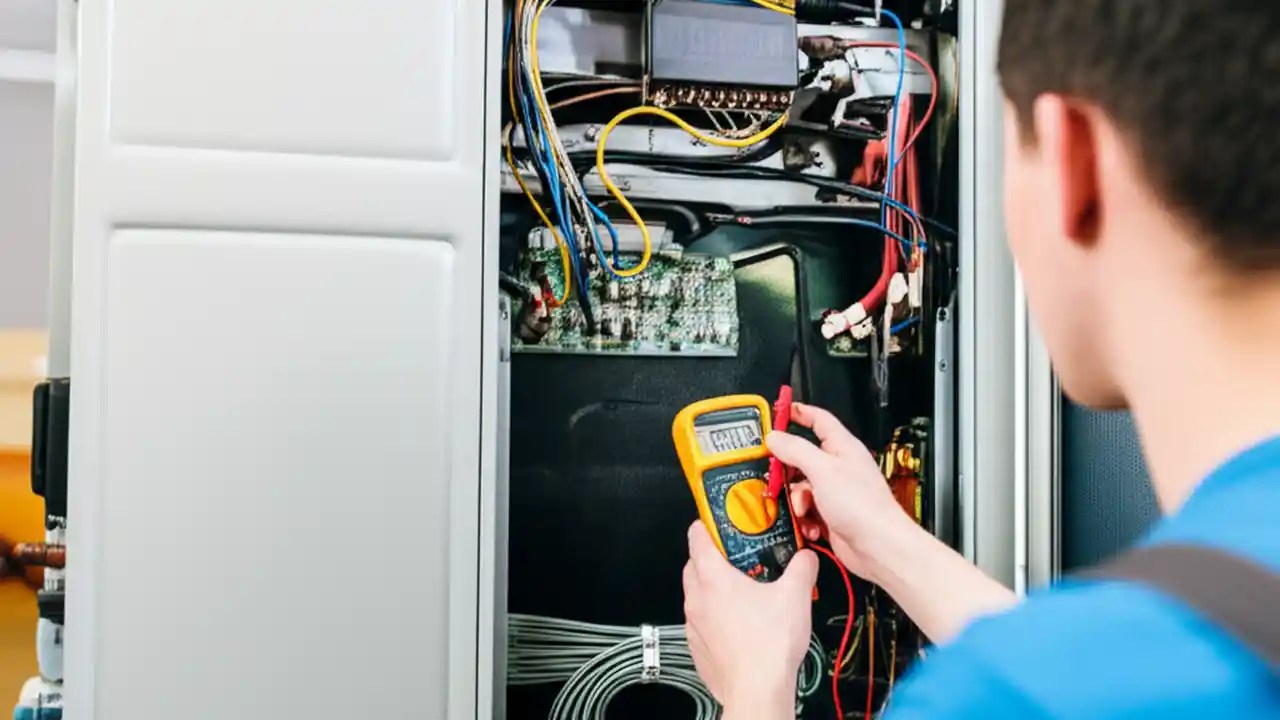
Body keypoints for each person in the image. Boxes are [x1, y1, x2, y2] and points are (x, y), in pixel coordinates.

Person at [682, 0, 1280, 717]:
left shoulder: (988, 698)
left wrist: (755, 685)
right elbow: (1093, 673)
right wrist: (888, 543)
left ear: (1073, 159)